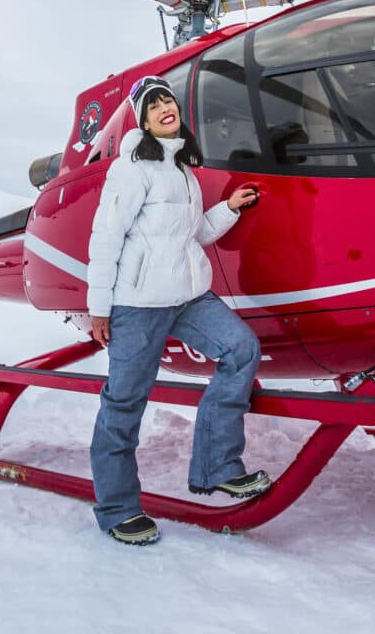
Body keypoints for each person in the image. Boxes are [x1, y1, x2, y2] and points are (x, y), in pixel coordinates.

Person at [86, 74, 266, 546]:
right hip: (138, 305)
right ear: (143, 121)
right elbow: (105, 239)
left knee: (241, 349)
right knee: (124, 404)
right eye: (154, 104)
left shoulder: (182, 171)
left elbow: (194, 236)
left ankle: (218, 466)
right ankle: (117, 508)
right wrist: (99, 309)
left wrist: (229, 208)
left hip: (188, 296)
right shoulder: (130, 169)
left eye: (169, 100)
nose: (166, 107)